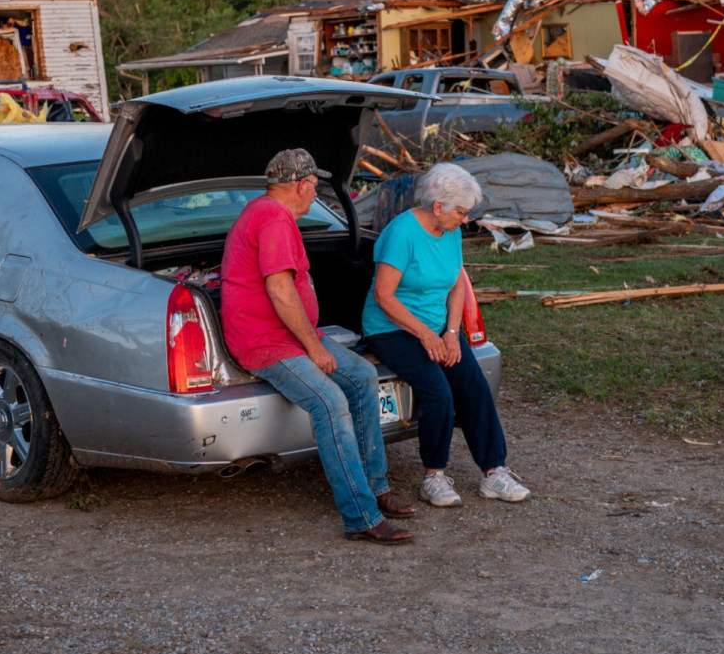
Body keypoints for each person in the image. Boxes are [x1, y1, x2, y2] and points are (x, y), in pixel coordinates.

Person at [221, 148, 418, 544]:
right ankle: (360, 516)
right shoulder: (274, 219)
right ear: (300, 185)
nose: (316, 195)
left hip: (287, 334)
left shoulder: (264, 210)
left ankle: (377, 489)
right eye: (314, 187)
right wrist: (314, 346)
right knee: (329, 401)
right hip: (267, 342)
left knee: (362, 374)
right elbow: (279, 289)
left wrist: (311, 340)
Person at [360, 162, 530, 507]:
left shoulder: (450, 230)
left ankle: (494, 471)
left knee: (473, 384)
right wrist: (426, 335)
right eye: (462, 212)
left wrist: (452, 333)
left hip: (437, 327)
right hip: (393, 327)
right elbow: (384, 296)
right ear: (438, 207)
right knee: (437, 392)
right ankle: (433, 477)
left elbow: (456, 286)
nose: (465, 220)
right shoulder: (402, 233)